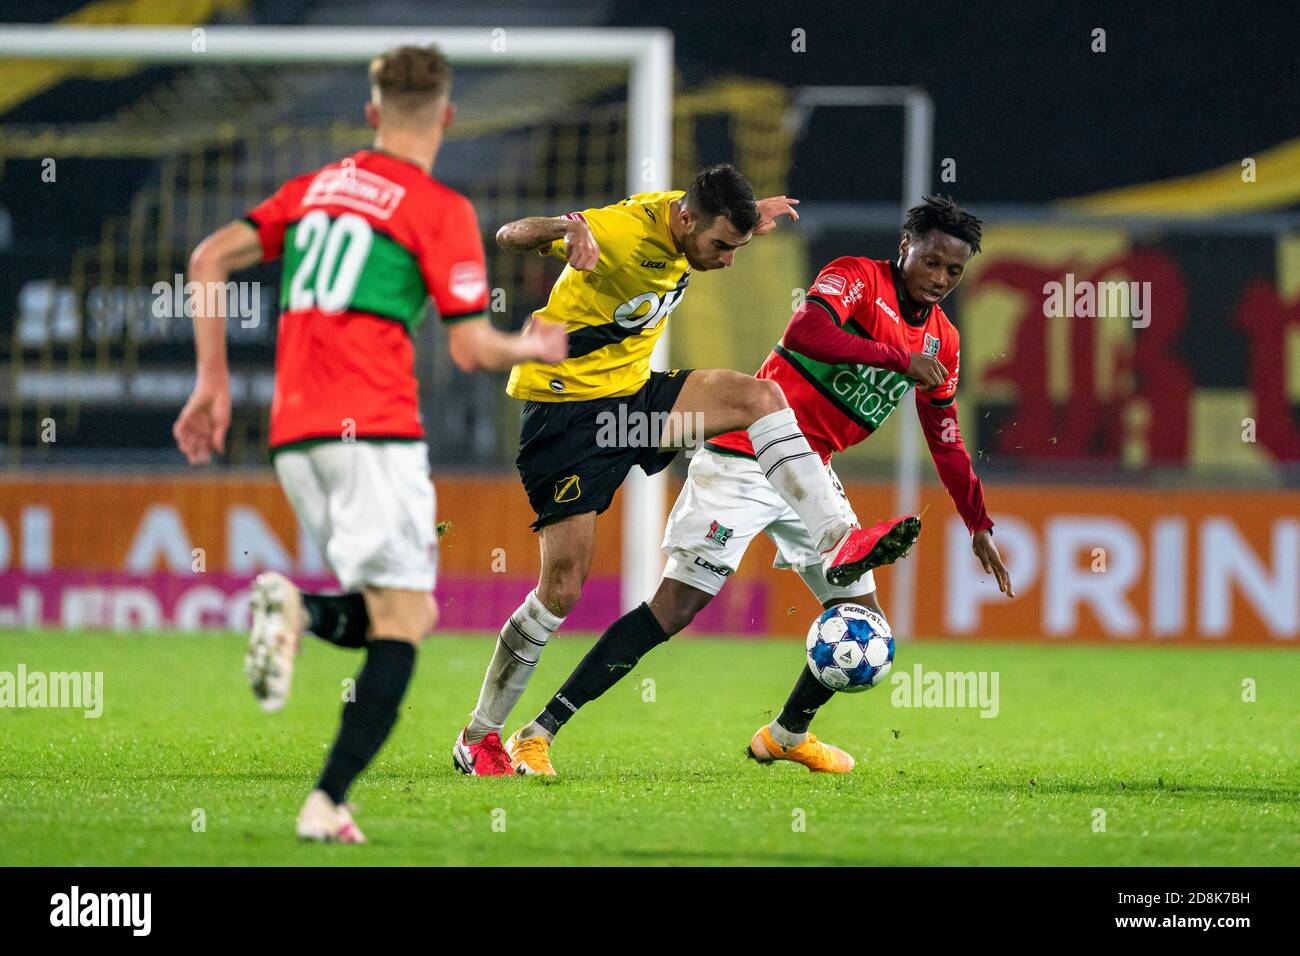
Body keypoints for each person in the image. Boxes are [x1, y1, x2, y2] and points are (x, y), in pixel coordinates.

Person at [172, 45, 566, 840]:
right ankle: (325, 799)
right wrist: (533, 347)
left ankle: (304, 630)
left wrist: (211, 383)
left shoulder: (318, 187)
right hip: (374, 431)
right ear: (449, 118)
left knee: (398, 610)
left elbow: (208, 257)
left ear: (371, 115)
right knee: (404, 617)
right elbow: (467, 348)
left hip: (295, 438)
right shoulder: (437, 207)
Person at [507, 195, 1014, 776]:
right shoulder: (855, 278)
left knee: (862, 617)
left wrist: (978, 524)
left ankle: (786, 734)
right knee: (674, 609)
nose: (941, 278)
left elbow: (946, 437)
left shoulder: (943, 341)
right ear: (906, 248)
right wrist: (896, 357)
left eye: (954, 270)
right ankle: (538, 732)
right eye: (931, 262)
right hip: (744, 456)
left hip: (808, 473)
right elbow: (806, 332)